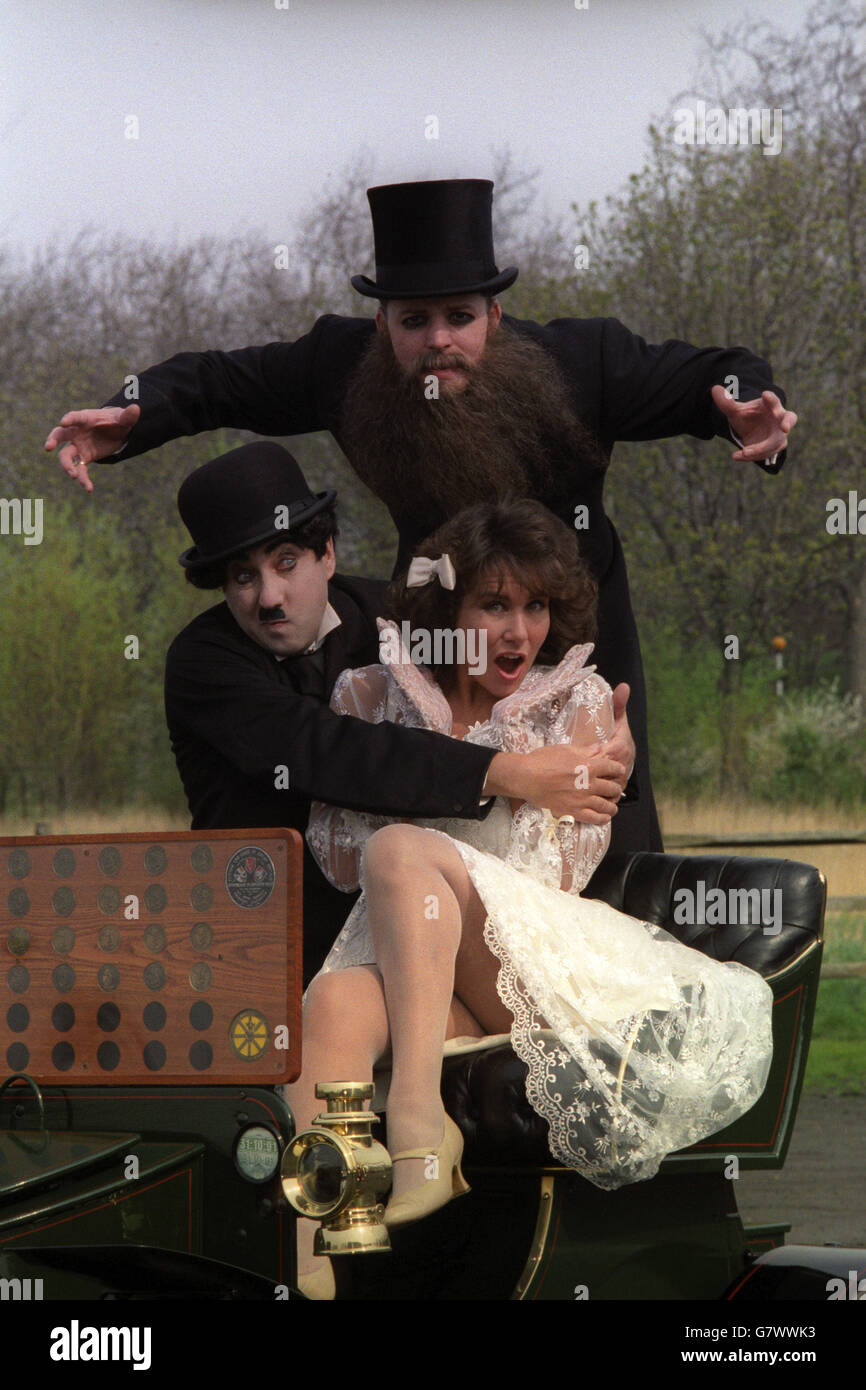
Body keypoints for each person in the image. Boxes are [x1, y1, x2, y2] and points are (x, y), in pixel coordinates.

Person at [43, 180, 798, 863]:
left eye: (459, 317)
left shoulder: (581, 362)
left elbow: (711, 371)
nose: (438, 339)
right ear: (382, 325)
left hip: (574, 648)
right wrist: (133, 414)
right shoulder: (344, 371)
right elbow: (219, 381)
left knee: (606, 848)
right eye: (414, 320)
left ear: (495, 316)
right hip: (440, 645)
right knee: (449, 850)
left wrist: (745, 410)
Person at [287, 497, 773, 1298]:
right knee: (333, 1004)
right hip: (429, 974)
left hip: (536, 963)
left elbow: (563, 869)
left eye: (536, 607)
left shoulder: (573, 702)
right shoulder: (369, 695)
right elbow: (338, 858)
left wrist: (595, 775)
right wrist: (435, 756)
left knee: (399, 847)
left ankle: (417, 1122)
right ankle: (313, 1257)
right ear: (447, 607)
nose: (519, 633)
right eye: (494, 605)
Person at [167, 441, 633, 980]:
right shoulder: (202, 662)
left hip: (415, 928)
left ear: (329, 554)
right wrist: (507, 774)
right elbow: (331, 750)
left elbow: (526, 672)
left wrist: (613, 745)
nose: (270, 596)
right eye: (244, 577)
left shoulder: (392, 618)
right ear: (222, 587)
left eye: (287, 563)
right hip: (258, 930)